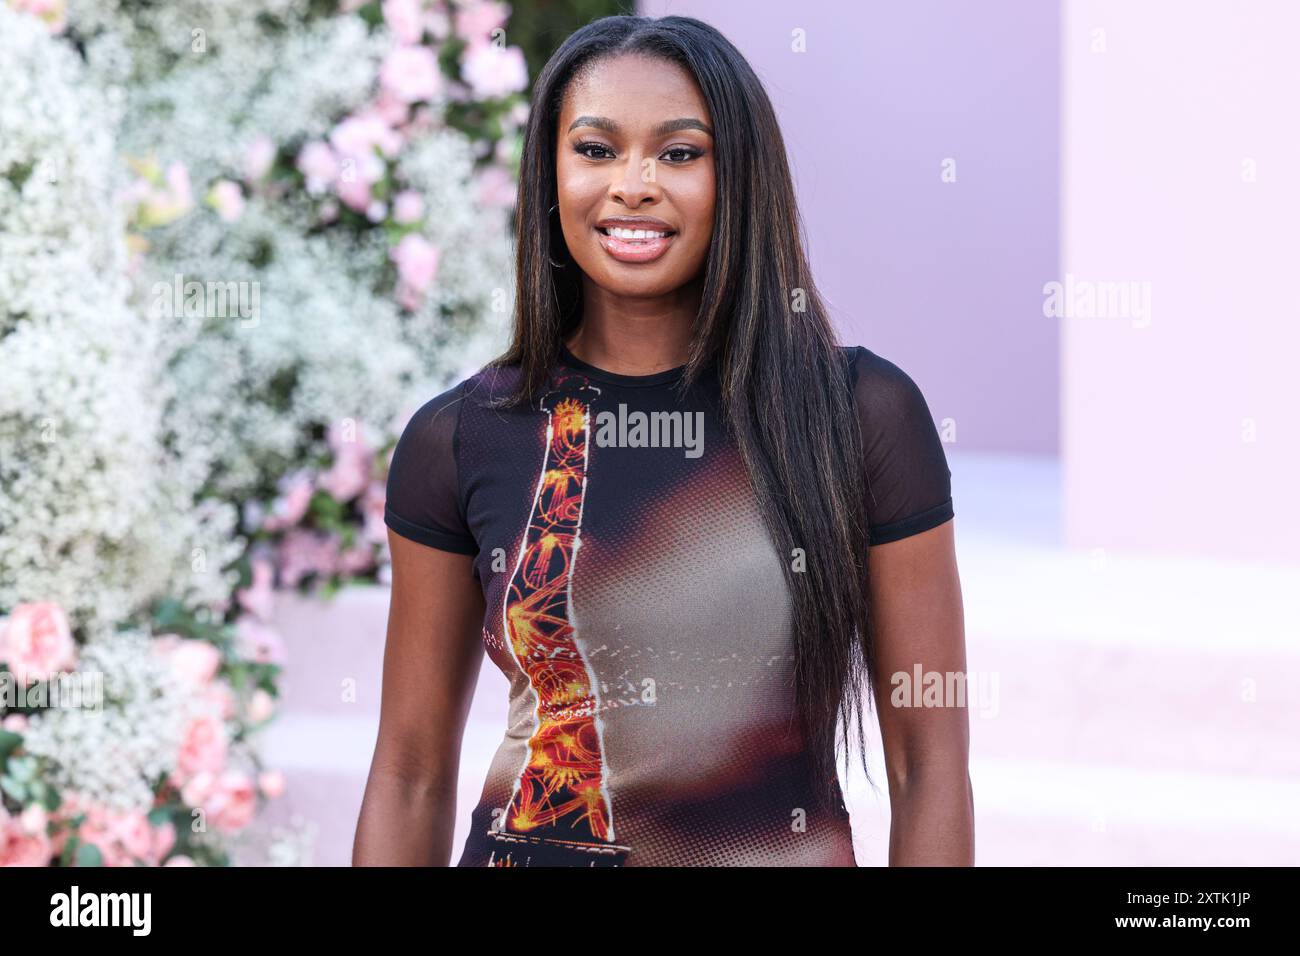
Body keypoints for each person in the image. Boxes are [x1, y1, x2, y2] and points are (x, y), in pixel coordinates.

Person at [354, 13, 971, 867]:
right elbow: (411, 771)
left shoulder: (861, 414)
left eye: (679, 153)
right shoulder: (461, 436)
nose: (633, 185)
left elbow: (929, 766)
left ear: (739, 176)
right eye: (596, 150)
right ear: (550, 175)